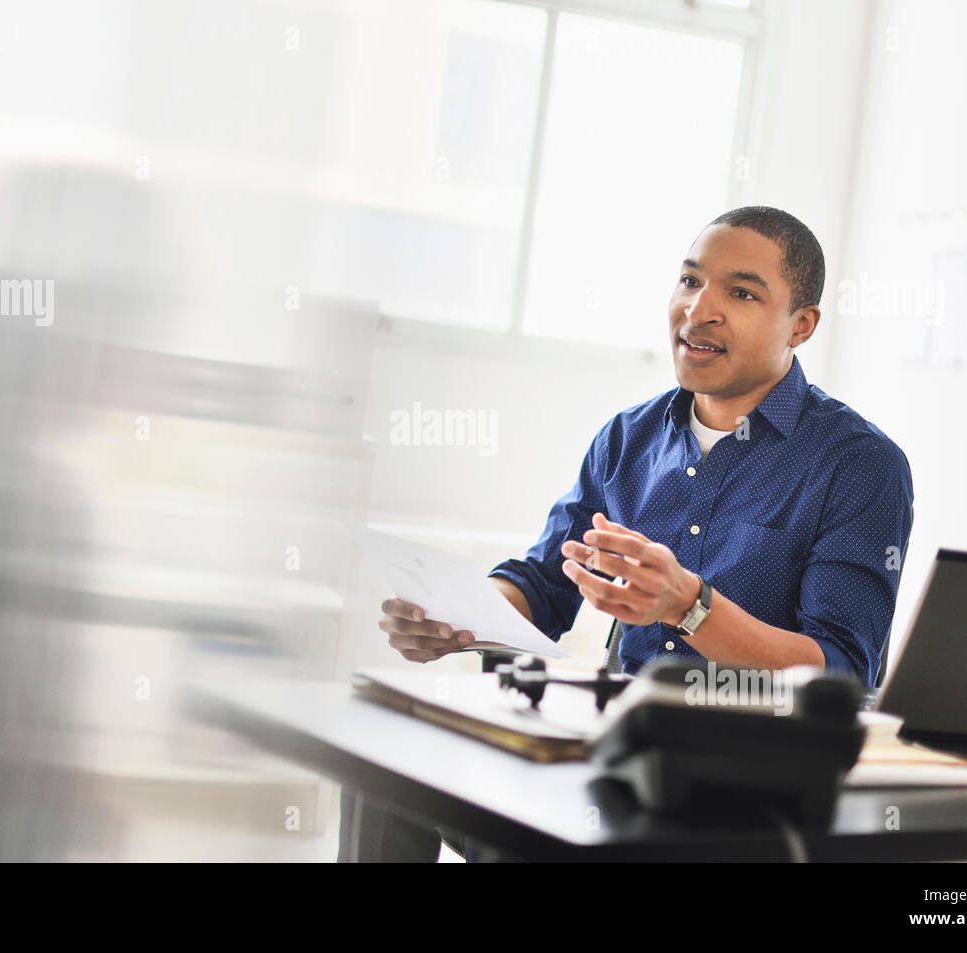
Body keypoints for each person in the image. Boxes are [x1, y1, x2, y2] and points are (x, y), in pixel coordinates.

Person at [344, 206, 915, 861]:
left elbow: (843, 672)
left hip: (753, 783)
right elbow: (545, 582)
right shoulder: (627, 438)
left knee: (528, 842)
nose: (700, 309)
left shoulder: (859, 464)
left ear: (801, 324)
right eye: (690, 280)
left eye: (742, 292)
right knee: (386, 759)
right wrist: (462, 618)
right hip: (617, 746)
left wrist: (690, 606)